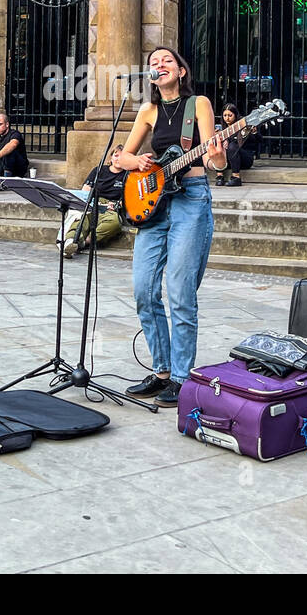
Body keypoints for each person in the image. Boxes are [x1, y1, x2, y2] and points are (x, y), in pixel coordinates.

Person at [111, 47, 227, 407]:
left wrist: (218, 156)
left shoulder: (200, 105)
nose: (159, 66)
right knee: (144, 290)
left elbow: (210, 157)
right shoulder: (148, 110)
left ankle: (180, 377)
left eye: (166, 62)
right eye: (153, 64)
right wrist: (136, 159)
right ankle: (161, 370)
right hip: (154, 203)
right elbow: (119, 160)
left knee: (179, 292)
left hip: (190, 198)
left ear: (180, 70)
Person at [62, 146, 126, 258]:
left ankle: (84, 242)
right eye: (116, 155)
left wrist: (117, 205)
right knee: (82, 219)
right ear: (111, 158)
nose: (118, 159)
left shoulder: (128, 175)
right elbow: (86, 189)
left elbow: (129, 198)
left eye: (122, 156)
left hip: (111, 206)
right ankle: (71, 241)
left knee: (114, 223)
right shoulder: (99, 170)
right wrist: (86, 202)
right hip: (93, 201)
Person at [217, 101, 261, 187]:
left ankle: (236, 178)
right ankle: (219, 177)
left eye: (230, 115)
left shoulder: (243, 125)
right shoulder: (222, 128)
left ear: (235, 115)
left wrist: (254, 132)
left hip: (244, 159)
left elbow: (259, 140)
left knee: (232, 146)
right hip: (228, 161)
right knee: (216, 145)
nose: (227, 118)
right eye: (225, 115)